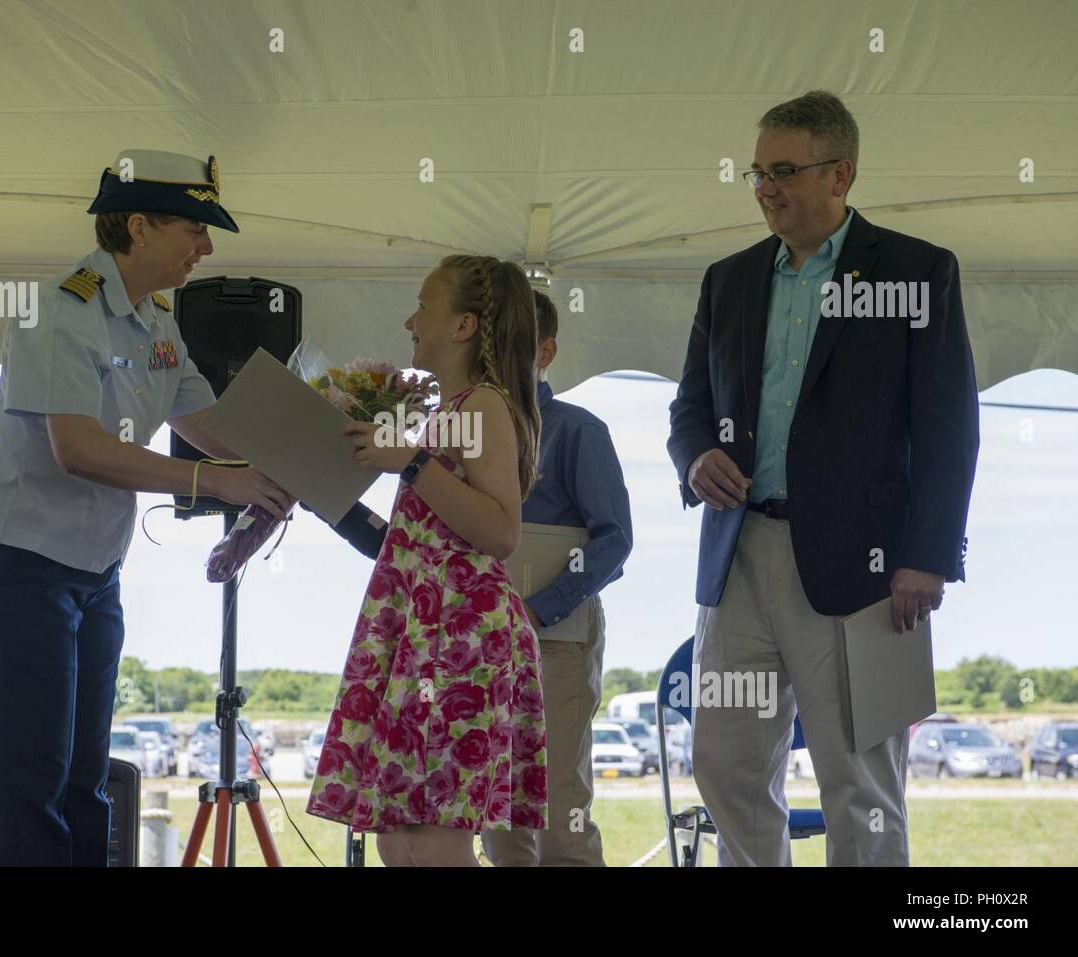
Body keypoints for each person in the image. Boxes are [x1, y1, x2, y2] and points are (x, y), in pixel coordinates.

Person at [0, 150, 292, 866]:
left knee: (84, 789)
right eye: (195, 228)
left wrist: (318, 443)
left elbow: (217, 426)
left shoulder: (157, 324)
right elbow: (79, 448)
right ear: (137, 225)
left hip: (93, 573)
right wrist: (213, 484)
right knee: (23, 793)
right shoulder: (61, 311)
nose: (208, 247)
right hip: (11, 568)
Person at [666, 91, 979, 866]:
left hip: (869, 568)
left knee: (859, 782)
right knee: (725, 764)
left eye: (785, 170)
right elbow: (688, 408)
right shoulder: (728, 279)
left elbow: (949, 426)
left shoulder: (917, 269)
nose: (767, 187)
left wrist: (928, 554)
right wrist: (696, 454)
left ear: (841, 173)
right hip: (740, 558)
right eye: (758, 172)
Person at [305, 254, 548, 867]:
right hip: (424, 633)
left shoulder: (483, 407)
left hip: (460, 639)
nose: (410, 319)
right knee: (401, 837)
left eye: (424, 306)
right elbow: (425, 538)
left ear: (464, 326)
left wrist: (409, 461)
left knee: (433, 839)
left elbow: (499, 530)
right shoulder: (453, 409)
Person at [482, 290, 633, 867]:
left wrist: (539, 608)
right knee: (497, 811)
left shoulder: (577, 431)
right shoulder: (459, 430)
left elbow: (614, 540)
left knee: (558, 811)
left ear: (546, 352)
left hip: (555, 637)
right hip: (485, 640)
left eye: (510, 347)